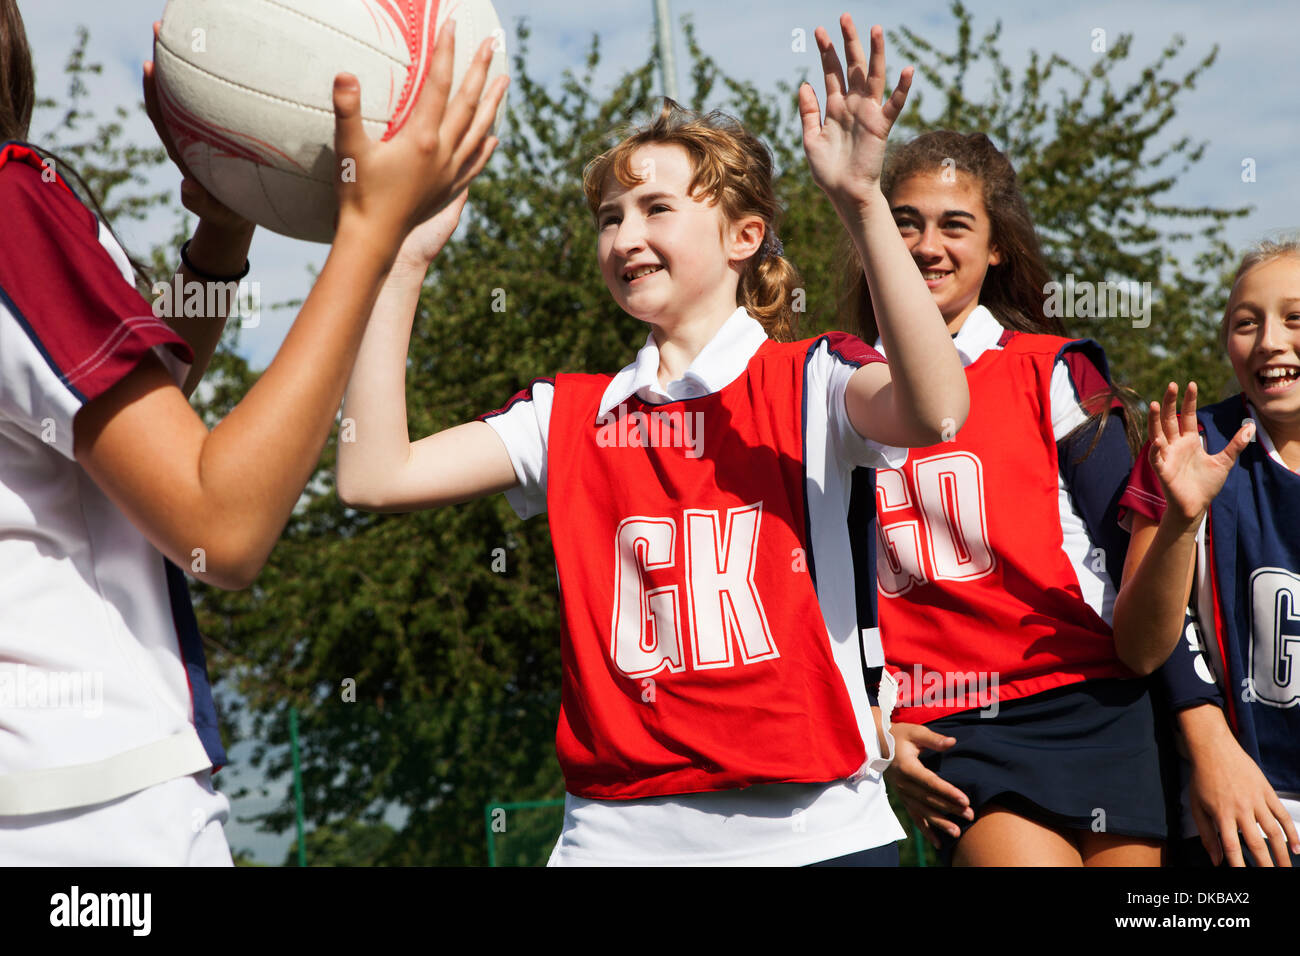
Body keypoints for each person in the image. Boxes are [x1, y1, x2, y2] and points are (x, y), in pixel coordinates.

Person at [336, 16, 969, 865]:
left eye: (656, 208)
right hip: (615, 841)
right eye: (608, 217)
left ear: (745, 238)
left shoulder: (811, 378)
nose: (624, 236)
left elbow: (937, 411)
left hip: (817, 836)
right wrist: (399, 261)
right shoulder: (568, 414)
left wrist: (860, 201)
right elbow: (373, 474)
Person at [0, 2, 506, 863]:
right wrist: (369, 235)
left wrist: (221, 238)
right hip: (85, 809)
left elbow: (131, 439)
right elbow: (216, 523)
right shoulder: (10, 209)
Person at [846, 128, 1169, 865]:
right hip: (961, 717)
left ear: (997, 249)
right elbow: (822, 590)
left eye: (955, 224)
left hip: (1099, 702)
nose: (927, 245)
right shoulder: (843, 389)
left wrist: (1197, 721)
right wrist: (874, 723)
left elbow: (1142, 572)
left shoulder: (1054, 372)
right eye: (905, 222)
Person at [1115, 238, 1300, 867]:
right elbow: (1139, 646)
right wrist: (1181, 520)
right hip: (1236, 811)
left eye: (1294, 317)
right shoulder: (1191, 449)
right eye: (1247, 322)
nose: (1270, 340)